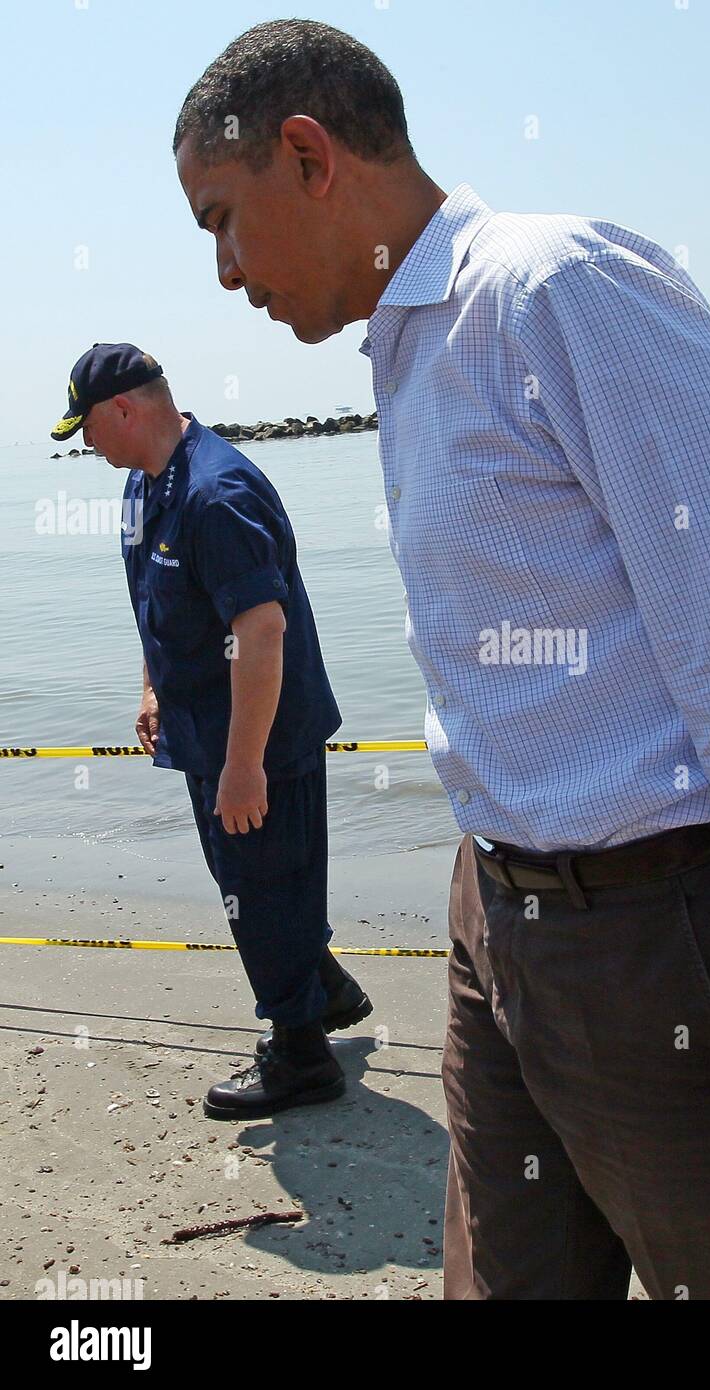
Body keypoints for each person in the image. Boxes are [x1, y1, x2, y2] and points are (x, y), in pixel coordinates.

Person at [172, 19, 710, 1298]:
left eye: (221, 219)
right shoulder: (409, 348)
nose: (227, 270)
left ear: (308, 154)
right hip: (496, 920)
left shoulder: (554, 290)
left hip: (649, 931)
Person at [49, 342, 372, 1120]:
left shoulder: (214, 493)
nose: (85, 445)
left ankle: (301, 1059)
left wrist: (243, 766)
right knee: (259, 882)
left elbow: (261, 632)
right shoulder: (143, 485)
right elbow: (160, 603)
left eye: (86, 428)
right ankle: (322, 989)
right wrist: (152, 685)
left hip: (257, 737)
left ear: (125, 409)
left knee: (260, 887)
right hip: (204, 725)